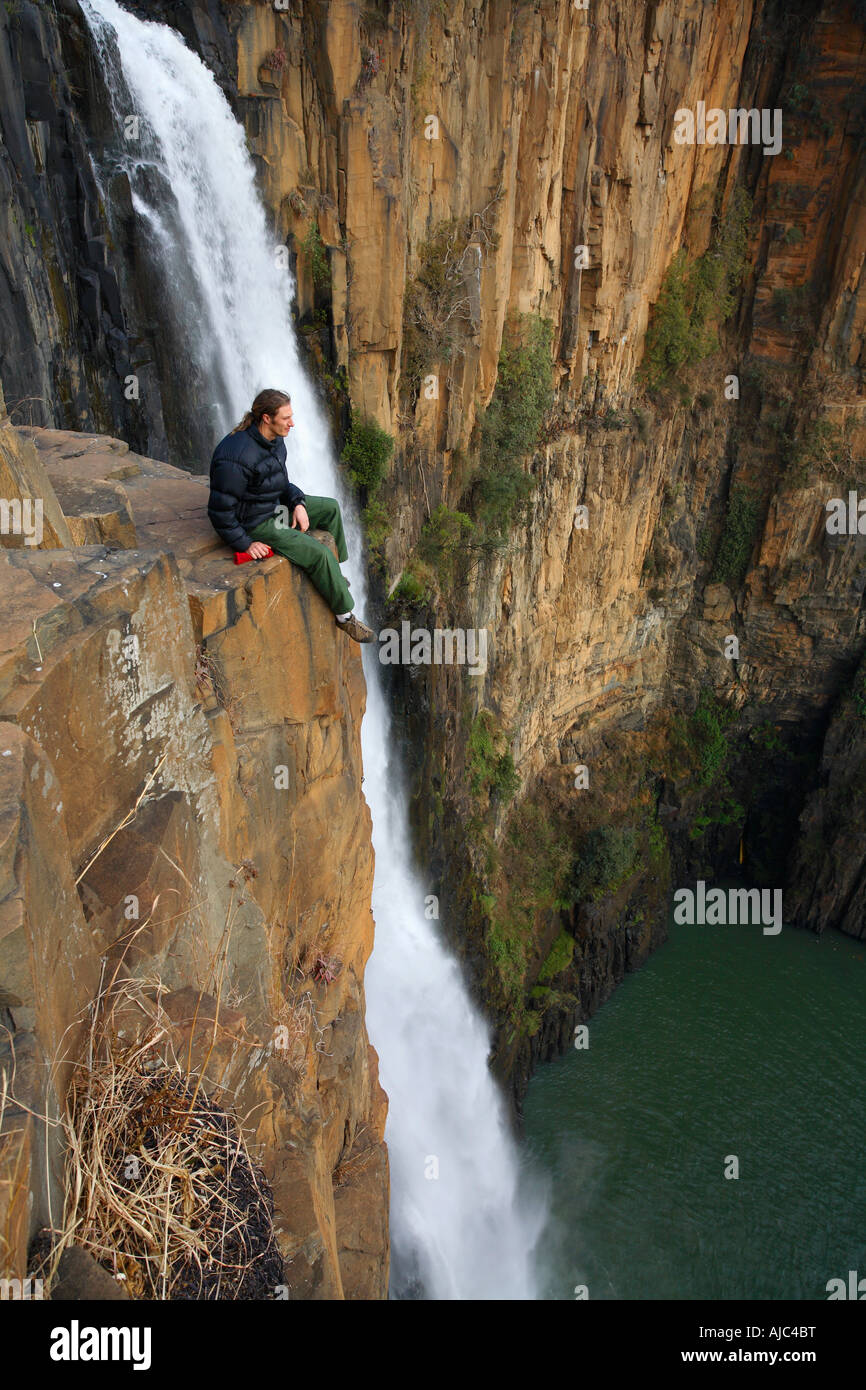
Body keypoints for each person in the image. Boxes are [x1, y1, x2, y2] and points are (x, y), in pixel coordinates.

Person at [207, 389, 374, 643]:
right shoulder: (236, 457)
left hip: (272, 505)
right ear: (266, 418)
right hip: (255, 522)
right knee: (319, 554)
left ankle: (336, 576)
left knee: (330, 508)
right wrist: (245, 543)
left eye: (291, 417)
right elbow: (219, 511)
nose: (292, 423)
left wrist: (297, 502)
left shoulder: (274, 439)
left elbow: (280, 481)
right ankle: (345, 618)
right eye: (286, 418)